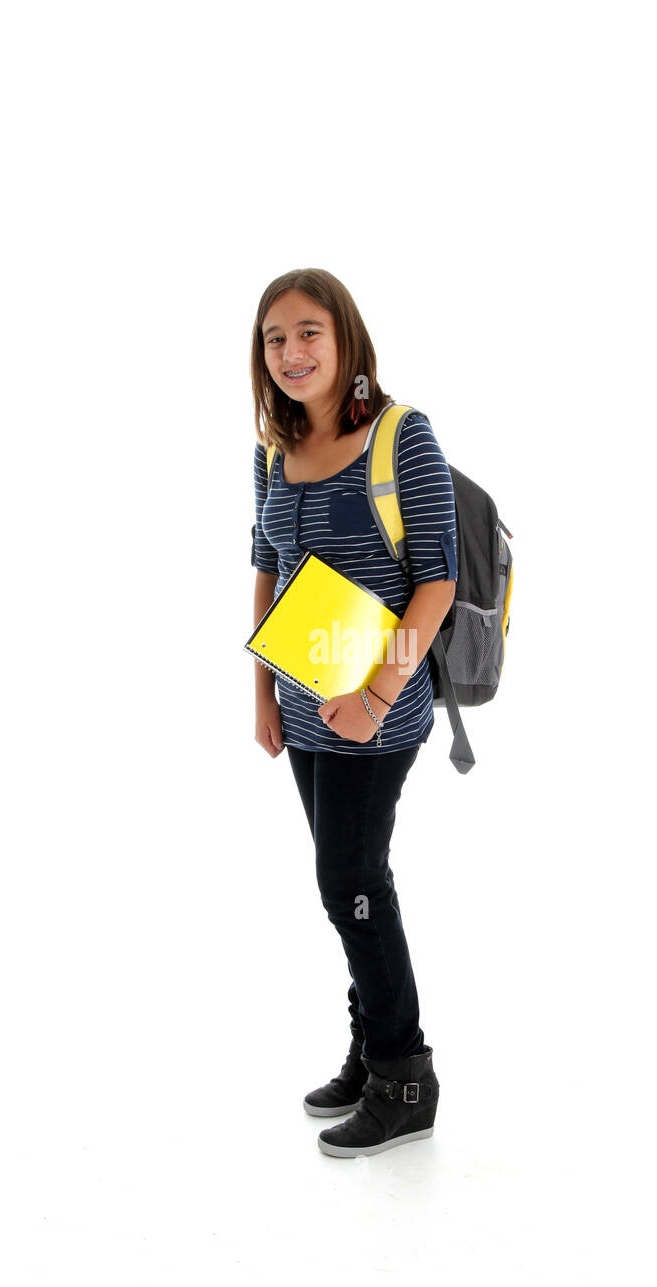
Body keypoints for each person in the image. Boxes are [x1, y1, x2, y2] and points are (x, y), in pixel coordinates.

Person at [249, 268, 458, 1158]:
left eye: (308, 333)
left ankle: (405, 1076)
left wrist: (375, 697)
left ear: (345, 341)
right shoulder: (272, 447)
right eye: (274, 339)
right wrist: (261, 689)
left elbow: (438, 582)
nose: (292, 353)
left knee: (351, 881)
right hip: (303, 704)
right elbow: (264, 558)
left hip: (380, 709)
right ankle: (372, 1049)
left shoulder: (400, 438)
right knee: (353, 886)